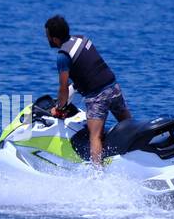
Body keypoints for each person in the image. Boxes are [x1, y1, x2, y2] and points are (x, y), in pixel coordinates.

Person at [44, 14, 132, 164]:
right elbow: (88, 70)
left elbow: (63, 88)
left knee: (95, 136)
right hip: (113, 87)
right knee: (129, 125)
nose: (47, 39)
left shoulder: (63, 56)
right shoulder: (81, 38)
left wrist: (59, 107)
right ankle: (139, 154)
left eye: (47, 35)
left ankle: (97, 175)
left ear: (54, 38)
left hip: (98, 97)